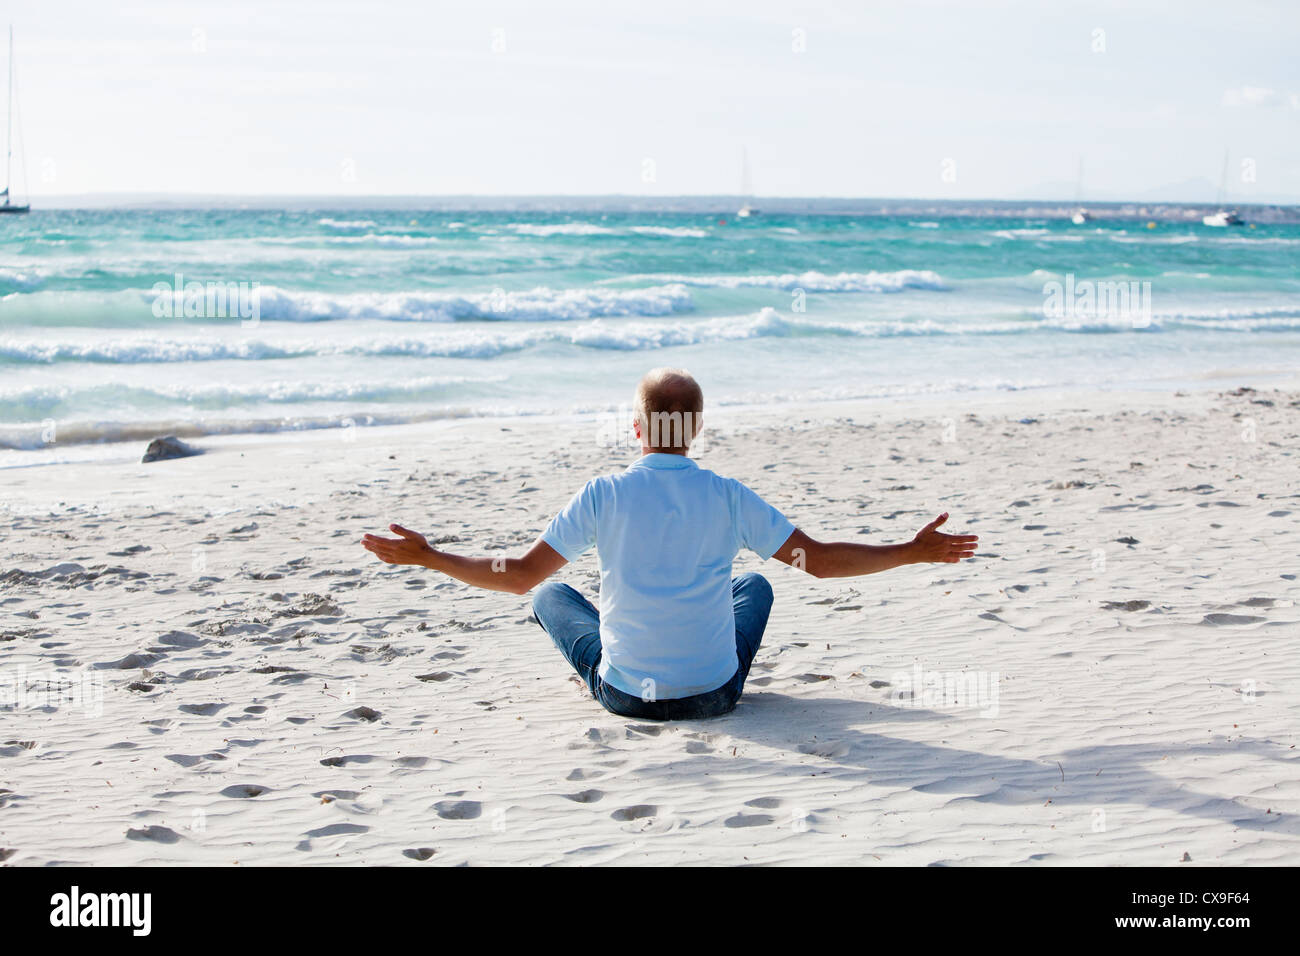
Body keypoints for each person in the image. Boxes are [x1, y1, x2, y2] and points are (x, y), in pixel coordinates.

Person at [361, 367, 977, 720]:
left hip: (628, 699)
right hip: (715, 697)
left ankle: (624, 656)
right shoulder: (728, 495)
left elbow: (517, 573)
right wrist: (908, 550)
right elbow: (816, 562)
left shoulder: (603, 494)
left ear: (635, 427)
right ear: (698, 428)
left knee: (549, 592)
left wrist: (430, 556)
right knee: (756, 582)